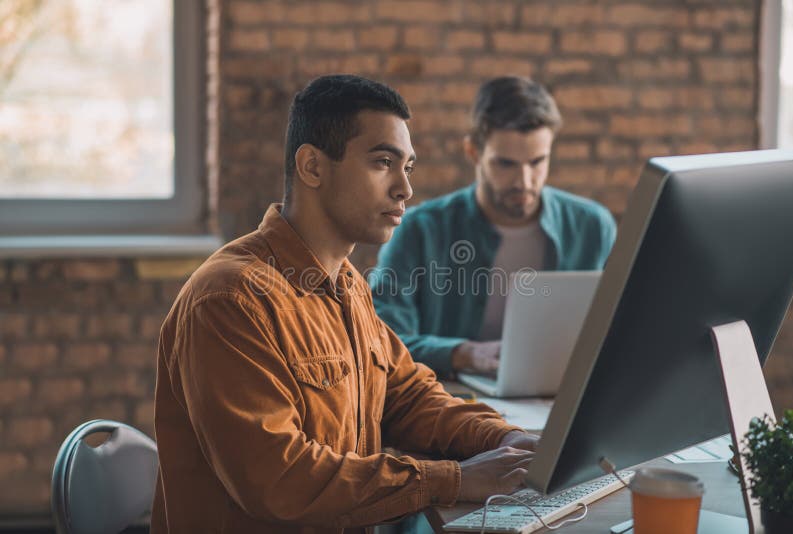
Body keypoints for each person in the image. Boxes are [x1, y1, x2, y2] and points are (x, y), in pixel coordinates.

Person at [151, 74, 539, 534]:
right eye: (382, 163)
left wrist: (507, 439)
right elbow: (280, 480)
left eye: (407, 167)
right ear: (312, 167)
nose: (404, 190)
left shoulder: (347, 286)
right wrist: (453, 480)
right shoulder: (228, 299)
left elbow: (408, 397)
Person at [371, 76, 617, 379]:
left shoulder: (593, 227)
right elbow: (382, 342)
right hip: (451, 403)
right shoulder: (420, 230)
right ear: (474, 152)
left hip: (556, 400)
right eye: (506, 164)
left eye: (538, 162)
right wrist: (463, 354)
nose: (524, 182)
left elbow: (620, 334)